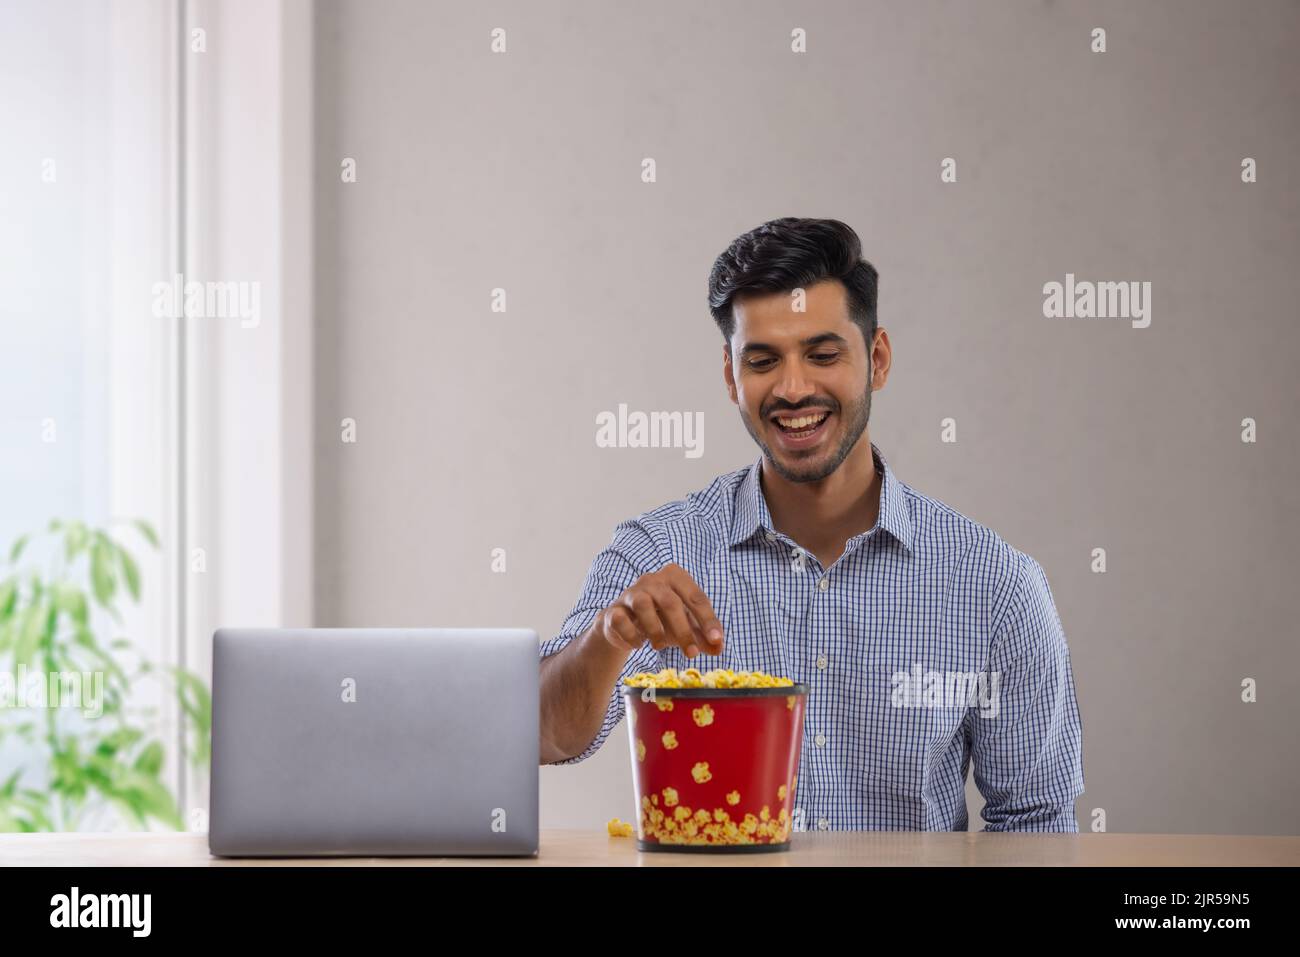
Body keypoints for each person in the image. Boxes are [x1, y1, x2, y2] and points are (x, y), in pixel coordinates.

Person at [539, 217, 1085, 831]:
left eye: (823, 355)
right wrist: (608, 641)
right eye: (763, 360)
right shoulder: (659, 552)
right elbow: (544, 735)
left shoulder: (994, 584)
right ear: (731, 378)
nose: (793, 389)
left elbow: (1036, 821)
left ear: (876, 360)